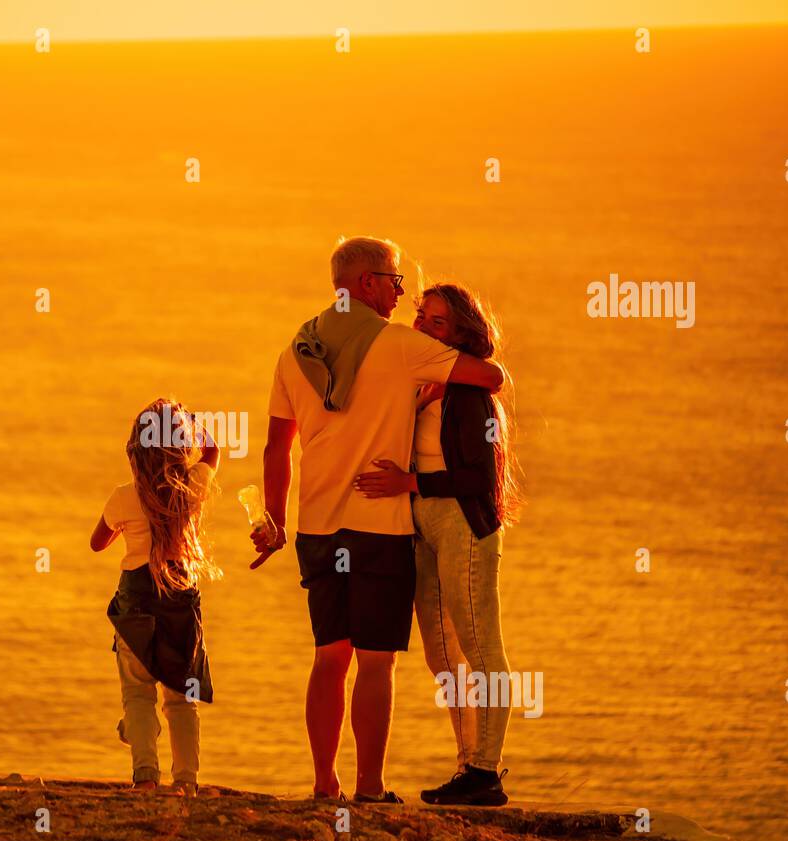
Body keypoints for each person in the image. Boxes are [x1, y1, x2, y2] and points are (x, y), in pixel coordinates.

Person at [251, 237, 503, 803]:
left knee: (327, 657)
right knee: (374, 662)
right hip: (379, 526)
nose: (399, 293)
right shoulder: (401, 345)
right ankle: (369, 787)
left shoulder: (298, 349)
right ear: (367, 284)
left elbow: (275, 446)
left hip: (317, 525)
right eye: (394, 282)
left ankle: (324, 784)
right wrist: (439, 382)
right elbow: (492, 378)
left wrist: (273, 520)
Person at [354, 283, 521, 806]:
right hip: (422, 525)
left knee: (479, 644)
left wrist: (409, 484)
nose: (423, 327)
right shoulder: (422, 380)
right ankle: (467, 765)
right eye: (421, 317)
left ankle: (486, 771)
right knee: (441, 652)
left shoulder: (470, 393)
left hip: (462, 524)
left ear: (462, 334)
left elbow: (476, 478)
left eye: (438, 322)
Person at [91, 399, 221, 794]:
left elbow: (97, 543)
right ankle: (186, 782)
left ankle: (146, 777)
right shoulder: (193, 486)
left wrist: (121, 530)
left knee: (138, 695)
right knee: (182, 700)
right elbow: (214, 450)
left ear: (135, 449)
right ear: (181, 448)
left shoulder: (123, 497)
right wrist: (196, 424)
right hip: (180, 605)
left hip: (136, 606)